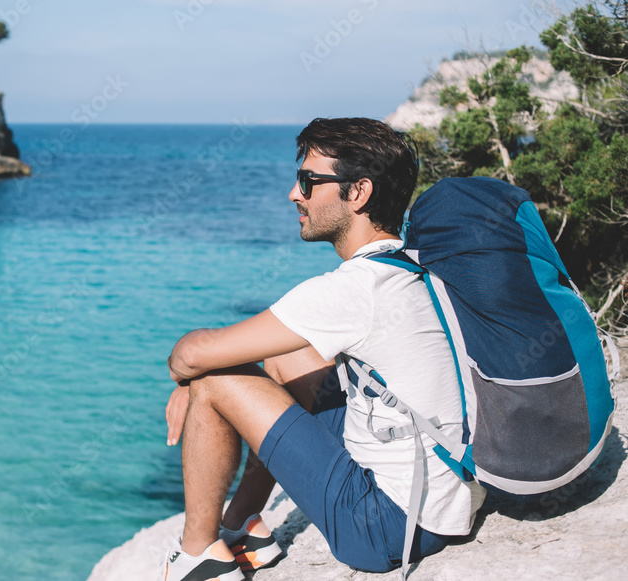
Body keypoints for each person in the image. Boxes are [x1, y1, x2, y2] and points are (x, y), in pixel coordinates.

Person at [160, 117, 486, 581]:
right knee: (283, 354)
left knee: (215, 378)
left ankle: (197, 557)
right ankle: (243, 525)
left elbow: (196, 354)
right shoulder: (412, 264)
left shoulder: (355, 289)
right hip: (446, 493)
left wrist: (187, 381)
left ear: (358, 193)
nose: (294, 194)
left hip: (385, 526)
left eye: (309, 182)